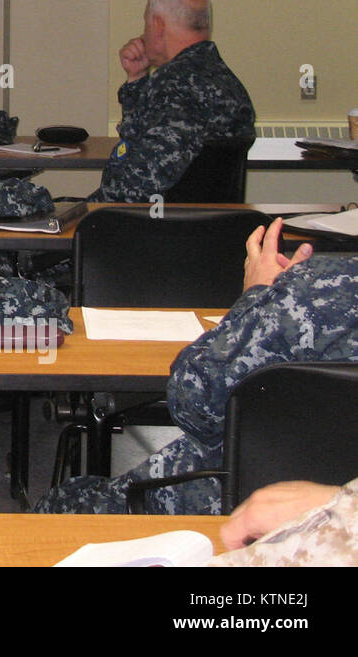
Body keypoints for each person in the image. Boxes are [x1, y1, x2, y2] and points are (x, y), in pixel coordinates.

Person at [37, 219, 358, 515]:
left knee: (63, 504)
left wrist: (260, 297)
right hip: (338, 522)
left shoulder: (326, 287)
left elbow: (196, 406)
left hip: (236, 508)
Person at [96, 0, 254, 202]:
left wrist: (74, 210)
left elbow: (135, 184)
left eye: (146, 25)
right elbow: (146, 143)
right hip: (214, 229)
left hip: (148, 227)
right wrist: (137, 81)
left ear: (158, 26)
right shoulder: (230, 85)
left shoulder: (172, 86)